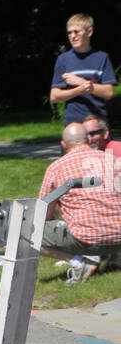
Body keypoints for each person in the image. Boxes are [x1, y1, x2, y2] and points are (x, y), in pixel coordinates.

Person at [38, 120, 121, 281]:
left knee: (26, 233)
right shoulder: (112, 160)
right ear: (88, 140)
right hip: (119, 238)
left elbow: (42, 212)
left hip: (88, 241)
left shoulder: (56, 168)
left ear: (63, 144)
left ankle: (78, 262)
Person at [50, 14, 116, 126]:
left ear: (89, 32)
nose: (73, 36)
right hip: (74, 122)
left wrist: (81, 82)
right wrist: (81, 89)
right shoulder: (63, 59)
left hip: (98, 122)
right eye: (69, 33)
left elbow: (108, 93)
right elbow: (54, 97)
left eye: (77, 32)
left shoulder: (102, 57)